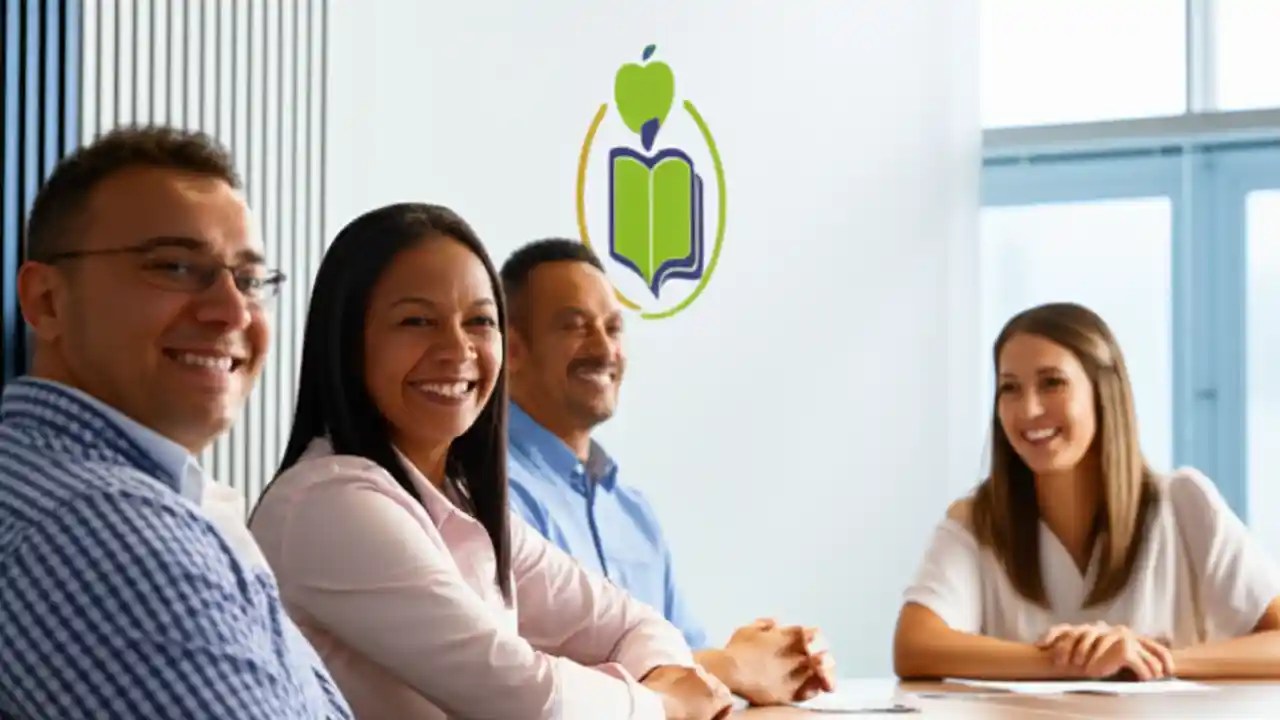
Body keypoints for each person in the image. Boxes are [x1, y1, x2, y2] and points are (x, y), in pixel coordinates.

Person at [248, 203, 734, 720]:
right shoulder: (329, 502)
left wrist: (658, 687)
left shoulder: (461, 498)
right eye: (417, 321)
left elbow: (637, 625)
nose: (457, 349)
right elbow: (524, 699)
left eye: (480, 321)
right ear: (348, 341)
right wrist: (662, 704)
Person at [0, 126, 351, 718]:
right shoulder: (97, 526)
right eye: (174, 266)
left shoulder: (148, 498)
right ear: (47, 302)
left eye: (249, 279)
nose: (232, 310)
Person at [498, 238, 836, 706]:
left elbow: (686, 660)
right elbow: (534, 684)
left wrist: (777, 662)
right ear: (512, 349)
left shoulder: (632, 510)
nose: (603, 348)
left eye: (614, 328)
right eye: (576, 327)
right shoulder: (485, 491)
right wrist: (733, 665)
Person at [894, 301, 1280, 681]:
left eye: (1052, 383)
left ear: (1102, 392)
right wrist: (1069, 660)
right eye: (1009, 388)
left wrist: (1153, 660)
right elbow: (914, 647)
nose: (1028, 410)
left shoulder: (1183, 504)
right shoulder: (976, 520)